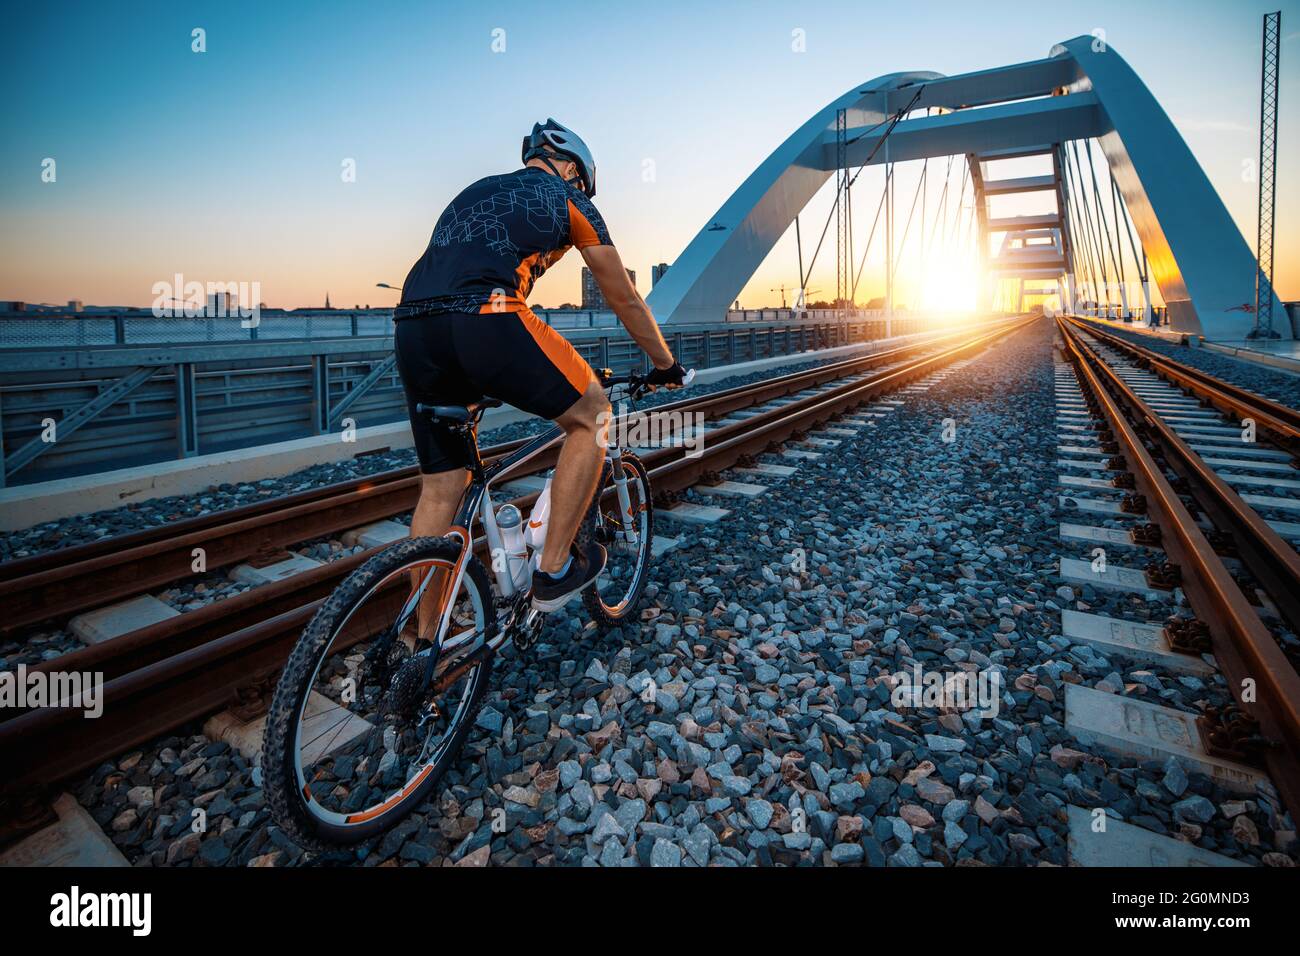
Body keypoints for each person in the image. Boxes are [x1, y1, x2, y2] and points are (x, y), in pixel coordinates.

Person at [393, 118, 686, 612]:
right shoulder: (569, 200)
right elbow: (624, 297)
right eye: (581, 181)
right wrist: (665, 364)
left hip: (413, 327)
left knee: (442, 488)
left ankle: (422, 643)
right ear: (572, 169)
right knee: (591, 415)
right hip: (487, 315)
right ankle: (554, 571)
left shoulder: (477, 189)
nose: (579, 188)